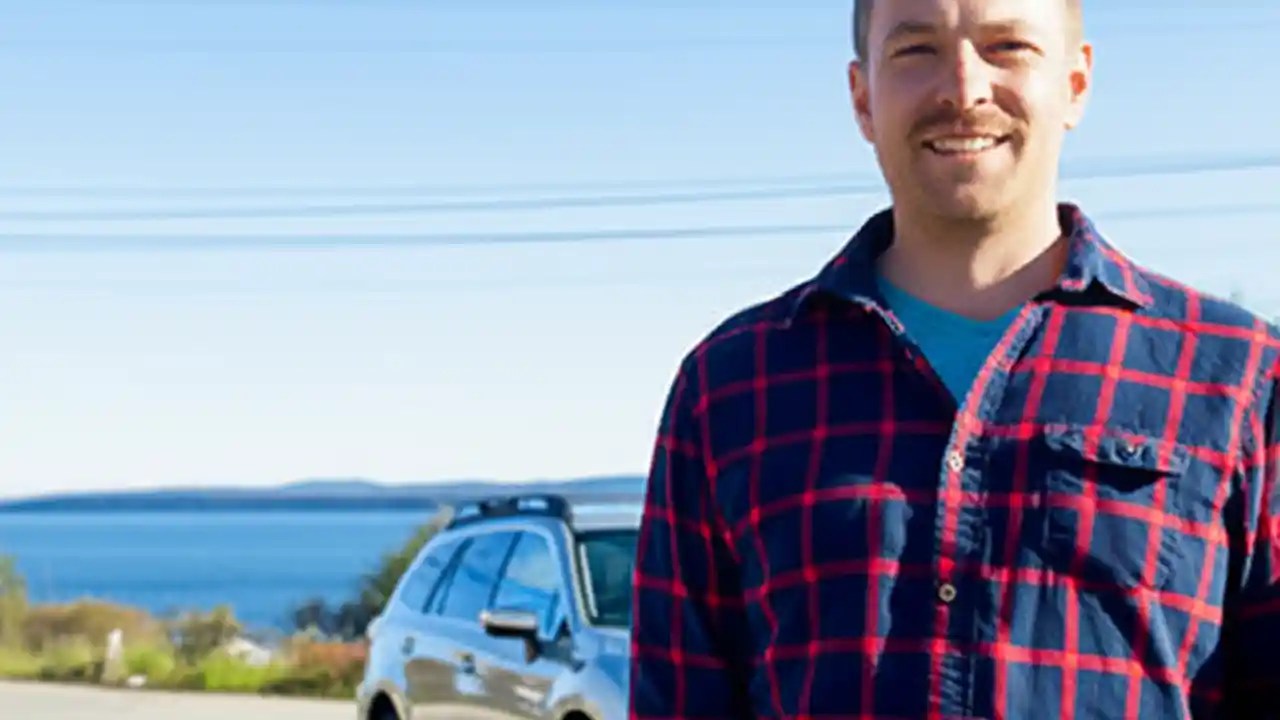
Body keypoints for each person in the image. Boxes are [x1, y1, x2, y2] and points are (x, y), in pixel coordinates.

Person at [628, 0, 1280, 718]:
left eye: (1006, 47)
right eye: (916, 51)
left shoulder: (1238, 378)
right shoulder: (731, 387)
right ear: (862, 97)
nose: (963, 90)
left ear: (1076, 83)